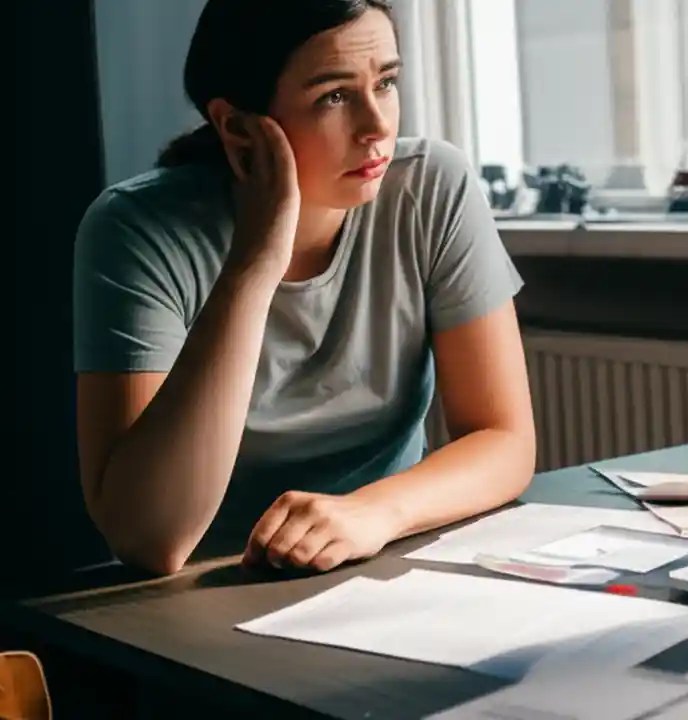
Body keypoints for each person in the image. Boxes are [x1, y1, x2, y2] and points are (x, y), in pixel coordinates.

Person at [72, 0, 535, 577]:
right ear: (239, 128)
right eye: (334, 97)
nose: (378, 126)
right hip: (204, 588)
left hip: (380, 557)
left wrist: (373, 513)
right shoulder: (137, 229)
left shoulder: (432, 188)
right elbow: (150, 539)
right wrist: (254, 264)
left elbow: (504, 439)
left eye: (386, 82)